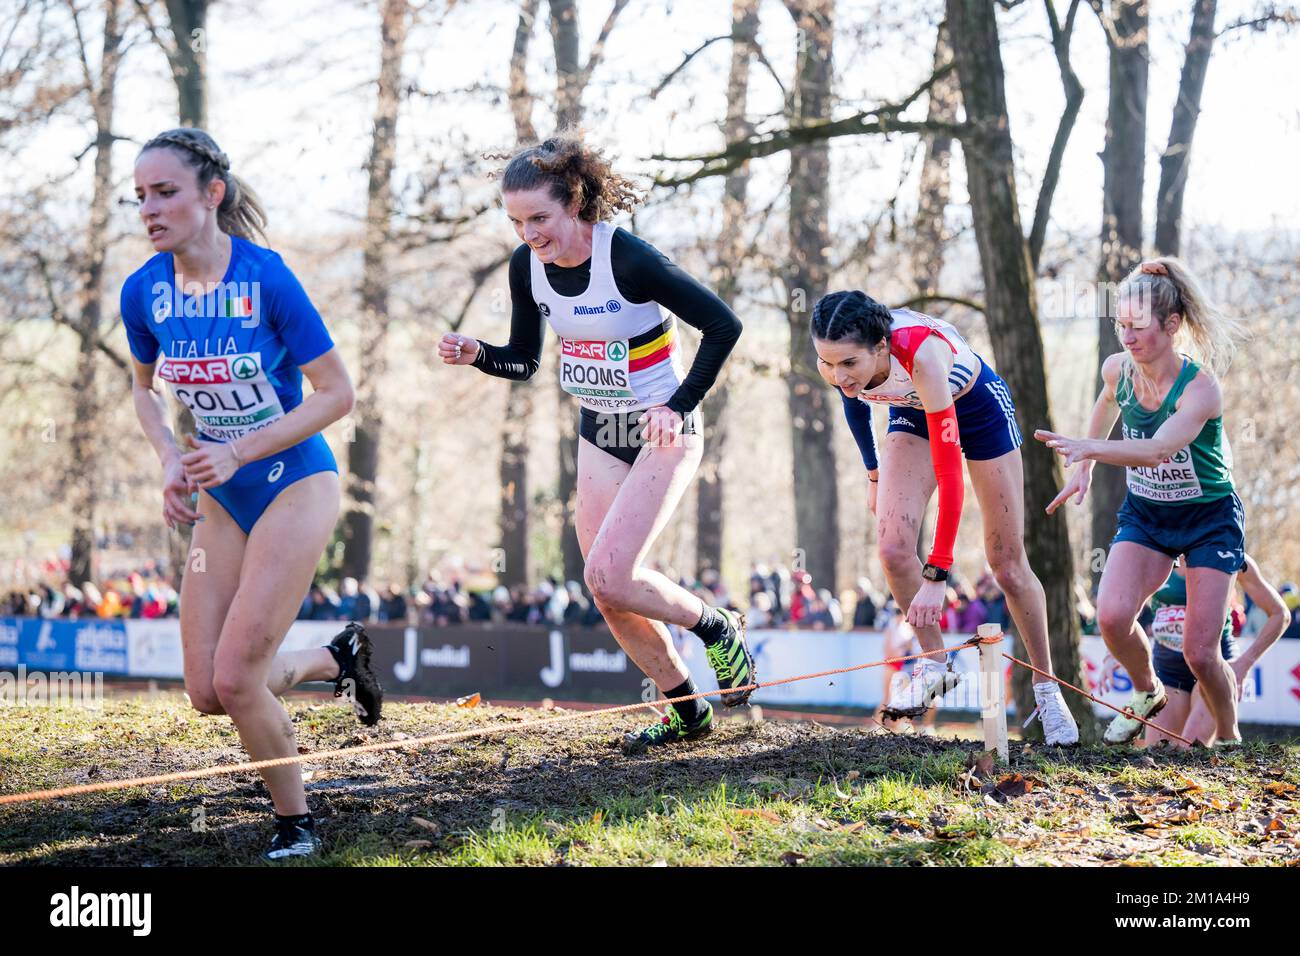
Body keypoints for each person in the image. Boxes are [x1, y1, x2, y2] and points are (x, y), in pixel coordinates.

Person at [439, 133, 750, 752]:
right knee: (605, 588)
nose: (529, 234)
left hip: (663, 429)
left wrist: (677, 404)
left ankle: (717, 627)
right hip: (601, 431)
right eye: (516, 221)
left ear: (575, 203)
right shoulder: (526, 266)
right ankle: (687, 712)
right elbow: (525, 360)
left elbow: (723, 324)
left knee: (611, 572)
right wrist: (479, 356)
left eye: (539, 218)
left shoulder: (627, 258)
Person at [121, 128, 383, 859]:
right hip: (222, 496)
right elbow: (143, 392)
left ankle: (296, 825)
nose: (149, 208)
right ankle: (335, 659)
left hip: (295, 480)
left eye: (165, 191)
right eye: (139, 195)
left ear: (212, 194)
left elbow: (337, 394)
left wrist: (235, 448)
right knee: (207, 690)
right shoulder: (144, 291)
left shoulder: (266, 279)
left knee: (237, 679)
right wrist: (172, 457)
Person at [814, 291, 1079, 744]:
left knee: (1007, 565)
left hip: (977, 410)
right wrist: (874, 474)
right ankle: (935, 665)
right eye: (827, 363)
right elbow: (853, 403)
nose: (838, 376)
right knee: (893, 549)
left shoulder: (920, 353)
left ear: (880, 346)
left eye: (848, 364)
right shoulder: (845, 360)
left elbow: (949, 475)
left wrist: (938, 575)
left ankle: (1046, 689)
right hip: (913, 412)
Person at [1036, 257, 1247, 745]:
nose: (1126, 338)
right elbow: (1106, 402)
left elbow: (1157, 451)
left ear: (1171, 326)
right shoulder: (1118, 370)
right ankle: (1147, 690)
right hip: (1148, 515)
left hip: (1208, 519)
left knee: (1199, 652)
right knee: (1111, 616)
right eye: (1119, 326)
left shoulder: (1199, 388)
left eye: (1137, 327)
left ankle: (1231, 738)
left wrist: (1092, 449)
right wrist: (1084, 466)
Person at [1099, 555, 1288, 746]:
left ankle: (1228, 742)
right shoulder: (1157, 553)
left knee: (1191, 749)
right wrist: (1112, 654)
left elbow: (1280, 614)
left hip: (1212, 666)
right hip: (1169, 668)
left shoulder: (1230, 555)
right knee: (1158, 754)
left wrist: (1244, 664)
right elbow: (1126, 609)